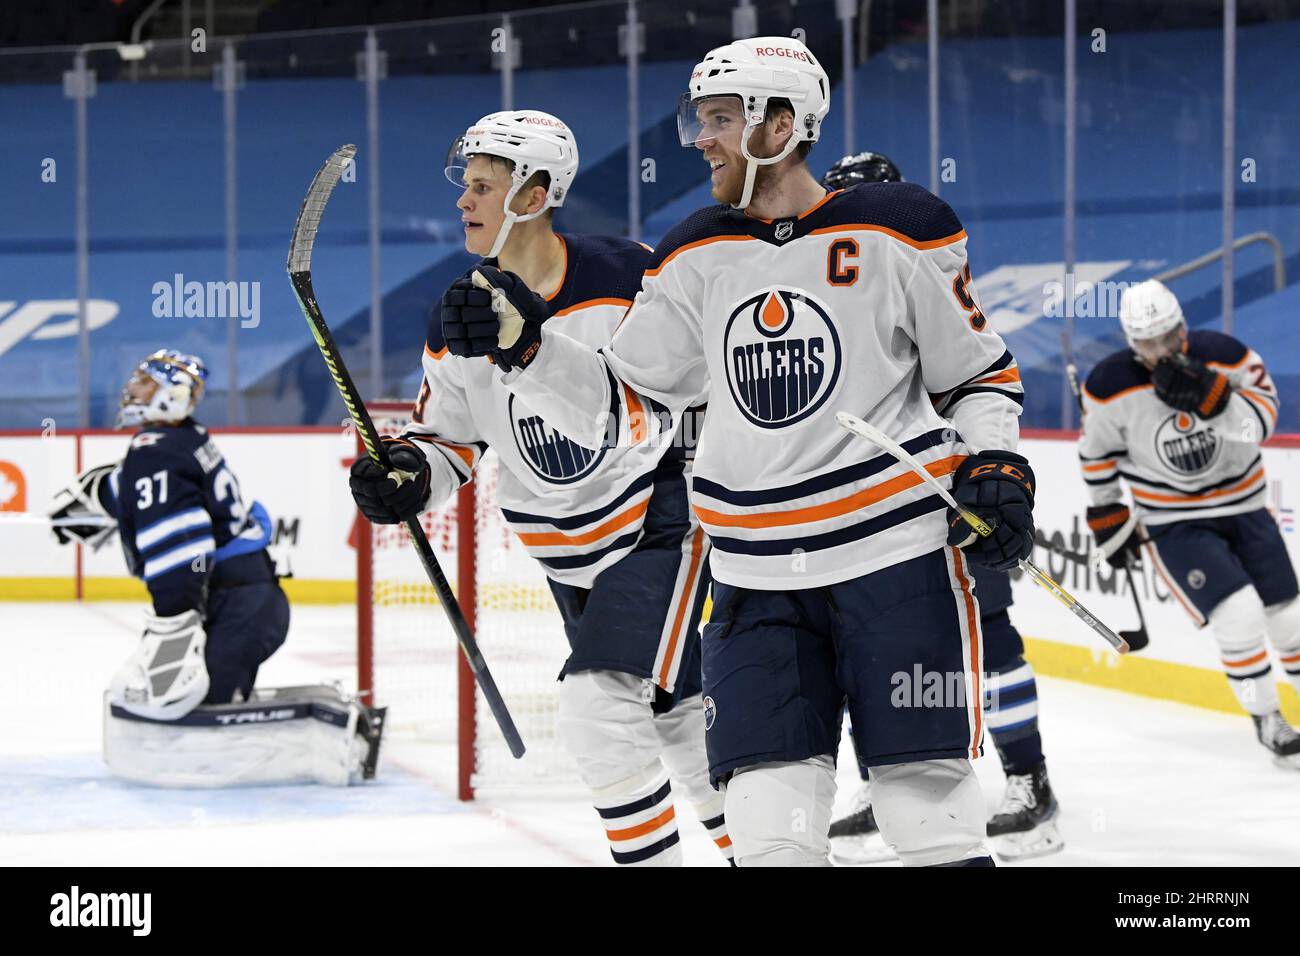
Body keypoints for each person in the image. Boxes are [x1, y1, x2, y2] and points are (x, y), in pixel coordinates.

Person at [440, 39, 1034, 866]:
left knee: (925, 814)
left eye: (719, 119)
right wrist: (529, 349)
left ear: (782, 125)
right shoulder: (693, 252)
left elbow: (978, 373)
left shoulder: (902, 227)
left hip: (893, 566)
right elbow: (624, 404)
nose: (699, 139)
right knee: (766, 830)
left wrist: (997, 465)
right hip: (753, 584)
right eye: (700, 118)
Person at [348, 111, 730, 865]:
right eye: (467, 187)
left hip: (660, 525)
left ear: (536, 193)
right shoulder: (458, 309)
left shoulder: (630, 278)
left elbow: (672, 403)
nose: (464, 202)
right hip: (567, 559)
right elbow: (452, 438)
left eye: (483, 187)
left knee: (597, 716)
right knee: (679, 721)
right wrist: (407, 476)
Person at [819, 152, 1063, 863]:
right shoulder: (825, 285)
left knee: (989, 634)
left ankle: (1031, 785)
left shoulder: (924, 272)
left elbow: (982, 379)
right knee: (865, 649)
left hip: (948, 497)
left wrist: (992, 475)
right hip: (860, 510)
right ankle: (885, 784)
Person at [50, 349, 383, 786]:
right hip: (252, 600)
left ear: (171, 396)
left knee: (200, 711)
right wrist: (104, 495)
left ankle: (335, 745)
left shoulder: (155, 453)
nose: (132, 389)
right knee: (216, 698)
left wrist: (174, 619)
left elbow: (180, 543)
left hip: (238, 608)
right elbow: (153, 488)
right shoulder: (185, 440)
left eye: (146, 383)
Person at [1080, 279, 1300, 768]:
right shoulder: (1108, 384)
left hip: (1246, 506)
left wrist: (1221, 403)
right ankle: (1267, 717)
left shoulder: (1226, 356)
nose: (1161, 351)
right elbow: (1097, 455)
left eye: (1168, 337)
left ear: (1183, 326)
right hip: (1174, 521)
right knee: (1239, 612)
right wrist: (1107, 512)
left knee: (1290, 619)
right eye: (1147, 343)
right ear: (1130, 341)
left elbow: (1261, 427)